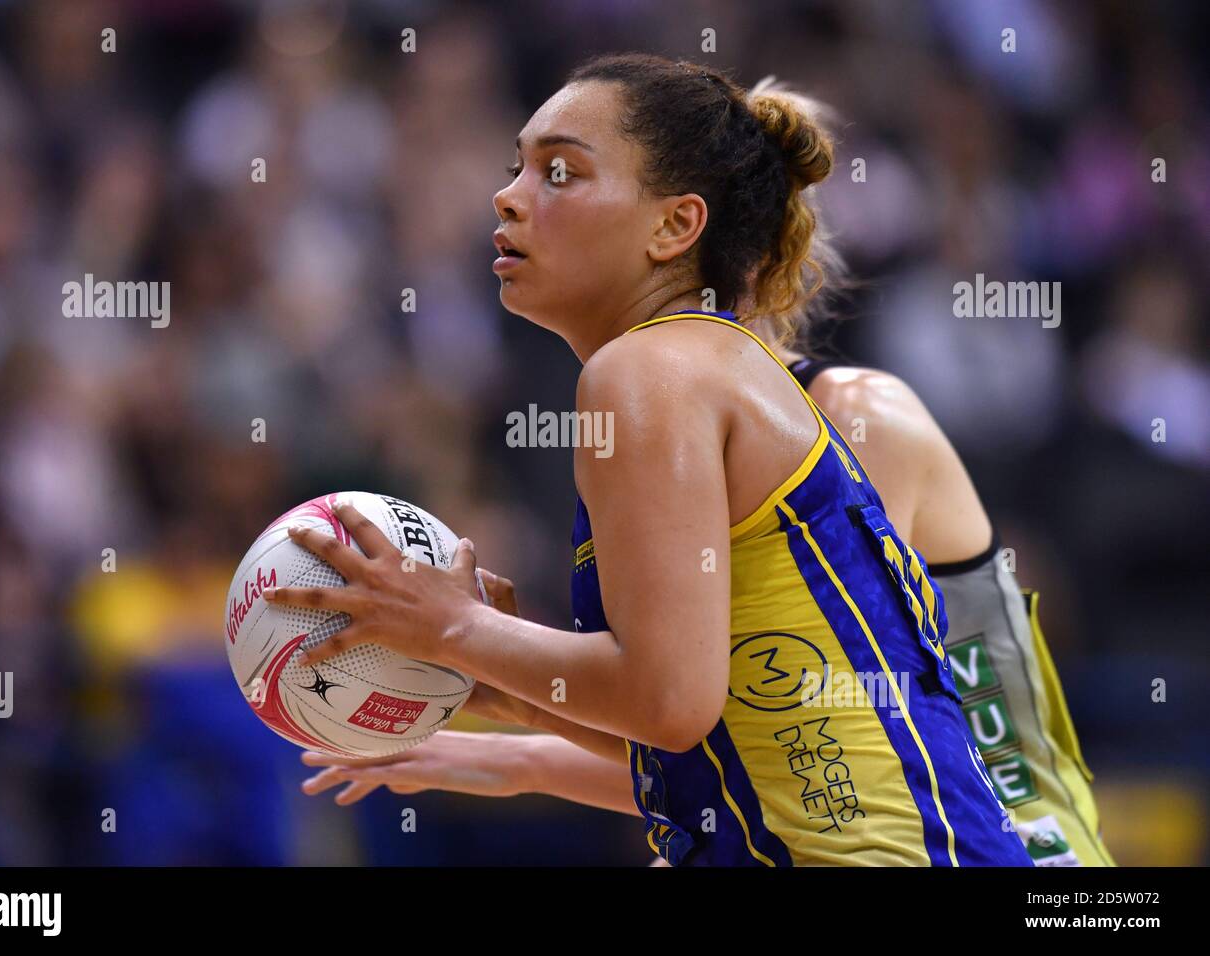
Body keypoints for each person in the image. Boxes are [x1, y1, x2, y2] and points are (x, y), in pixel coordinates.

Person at [265, 52, 1031, 866]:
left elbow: (669, 701)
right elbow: (735, 730)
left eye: (559, 171)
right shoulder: (694, 370)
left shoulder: (649, 373)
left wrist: (458, 627)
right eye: (517, 166)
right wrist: (513, 691)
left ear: (675, 226)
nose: (508, 195)